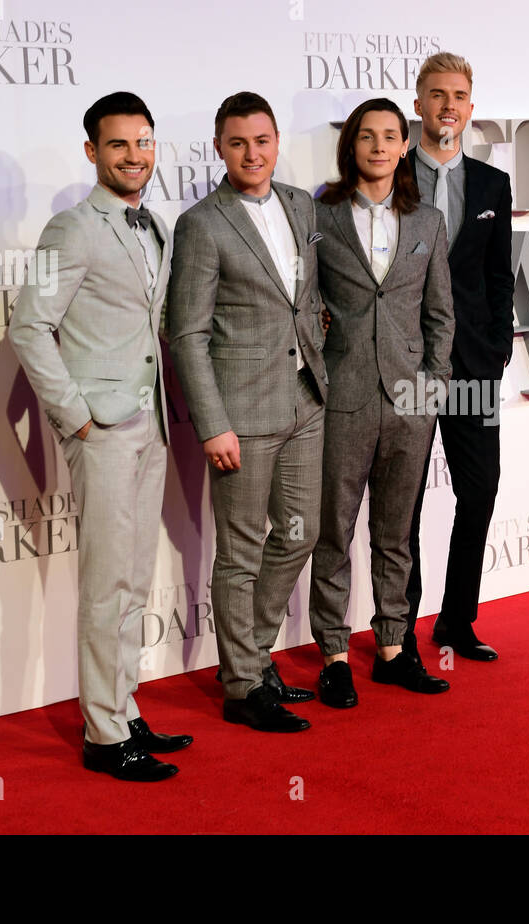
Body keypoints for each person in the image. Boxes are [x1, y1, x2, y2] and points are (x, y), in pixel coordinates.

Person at [9, 92, 191, 781]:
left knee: (135, 579)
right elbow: (29, 326)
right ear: (92, 151)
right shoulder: (70, 229)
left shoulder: (156, 226)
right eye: (118, 145)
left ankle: (124, 708)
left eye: (143, 143)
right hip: (105, 431)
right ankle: (104, 737)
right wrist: (75, 414)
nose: (134, 156)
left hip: (151, 425)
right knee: (108, 582)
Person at [167, 92, 326, 733]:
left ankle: (255, 657)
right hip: (241, 414)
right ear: (219, 149)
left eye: (261, 141)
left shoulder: (300, 205)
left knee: (299, 533)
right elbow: (187, 334)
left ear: (277, 140)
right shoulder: (202, 224)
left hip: (305, 401)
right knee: (239, 554)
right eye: (238, 143)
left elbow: (306, 299)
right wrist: (212, 424)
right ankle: (241, 686)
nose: (252, 153)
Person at [307, 98, 455, 707]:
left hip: (410, 402)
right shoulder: (319, 215)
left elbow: (440, 313)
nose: (378, 147)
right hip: (342, 396)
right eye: (366, 137)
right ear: (352, 147)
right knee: (333, 531)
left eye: (390, 137)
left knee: (397, 533)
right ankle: (335, 656)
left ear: (404, 146)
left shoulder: (427, 222)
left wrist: (432, 384)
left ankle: (394, 648)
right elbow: (301, 304)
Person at [406, 53, 515, 664]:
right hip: (409, 370)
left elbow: (500, 277)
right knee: (406, 503)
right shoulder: (390, 177)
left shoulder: (493, 185)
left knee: (479, 491)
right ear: (418, 104)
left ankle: (456, 619)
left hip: (474, 367)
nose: (449, 105)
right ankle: (400, 629)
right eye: (437, 94)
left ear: (471, 109)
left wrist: (496, 348)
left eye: (460, 95)